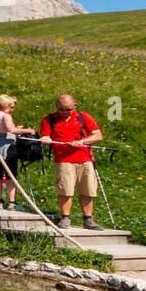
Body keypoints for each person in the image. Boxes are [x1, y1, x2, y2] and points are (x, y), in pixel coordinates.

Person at [39, 94, 104, 230]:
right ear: (57, 106)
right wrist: (45, 139)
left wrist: (81, 142)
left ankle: (88, 219)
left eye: (68, 109)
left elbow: (97, 135)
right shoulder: (49, 119)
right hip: (63, 160)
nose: (65, 112)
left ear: (75, 105)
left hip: (85, 159)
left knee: (88, 190)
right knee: (65, 190)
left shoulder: (83, 117)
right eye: (61, 109)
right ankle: (65, 218)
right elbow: (45, 135)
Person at [0, 94, 34, 211]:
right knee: (11, 175)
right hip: (7, 145)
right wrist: (28, 130)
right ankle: (11, 202)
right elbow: (11, 130)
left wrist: (15, 127)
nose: (12, 109)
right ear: (5, 106)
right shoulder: (6, 116)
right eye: (11, 107)